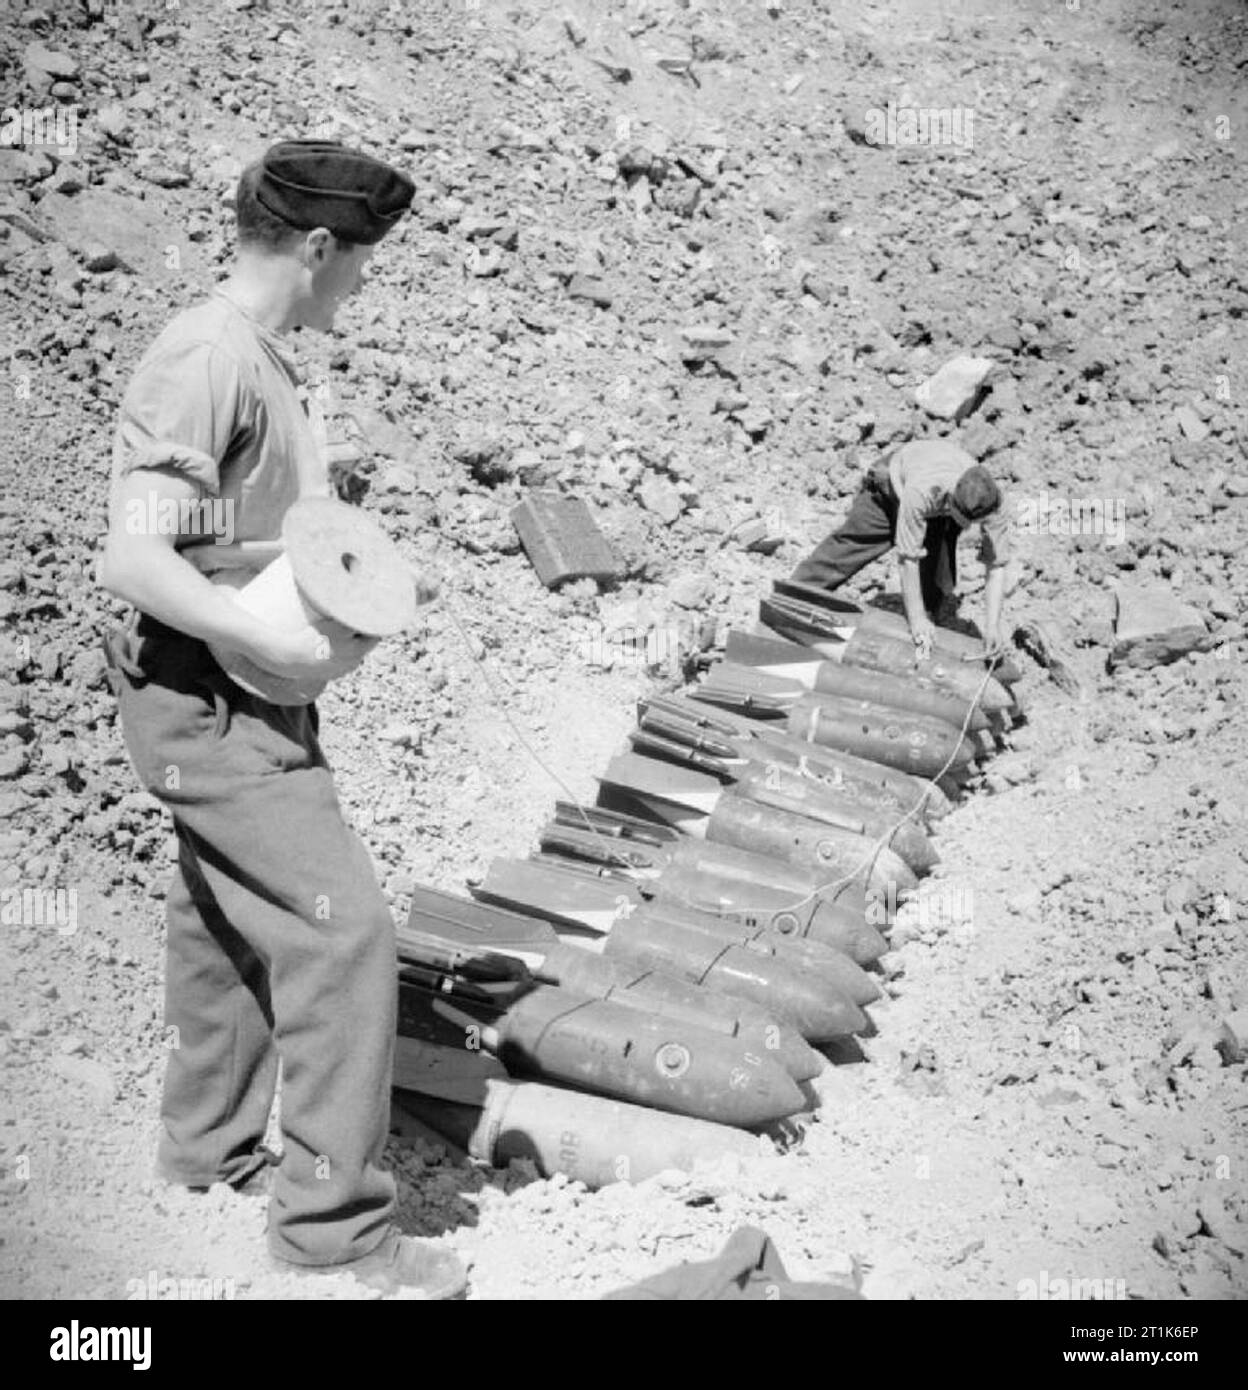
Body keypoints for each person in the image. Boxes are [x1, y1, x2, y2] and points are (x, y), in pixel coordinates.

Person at [98, 139, 468, 1299]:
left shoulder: (262, 356)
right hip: (207, 694)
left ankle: (203, 1153)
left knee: (221, 917)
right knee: (345, 931)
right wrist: (263, 637)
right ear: (317, 248)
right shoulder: (205, 359)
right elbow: (134, 557)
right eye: (361, 260)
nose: (364, 280)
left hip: (234, 689)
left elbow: (246, 533)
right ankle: (335, 1232)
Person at [790, 437, 1010, 660]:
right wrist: (915, 621)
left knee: (935, 570)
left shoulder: (992, 504)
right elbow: (908, 559)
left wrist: (992, 627)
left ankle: (926, 630)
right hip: (892, 489)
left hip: (937, 505)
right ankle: (794, 596)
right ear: (952, 500)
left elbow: (997, 566)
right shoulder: (922, 491)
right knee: (853, 544)